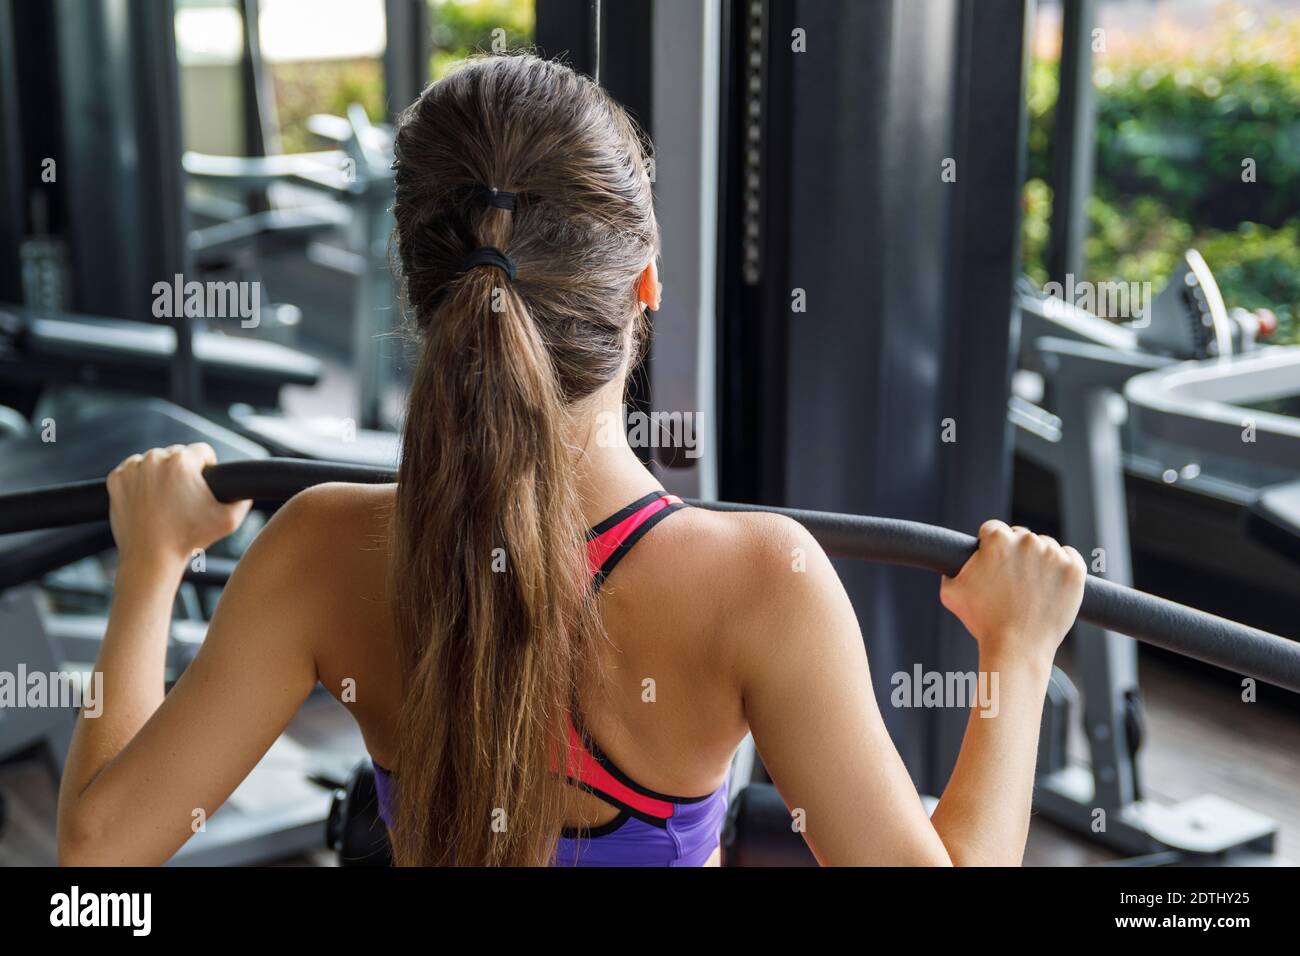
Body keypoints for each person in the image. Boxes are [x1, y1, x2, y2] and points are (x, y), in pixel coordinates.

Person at [56, 54, 1086, 867]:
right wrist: (1020, 650)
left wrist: (149, 563)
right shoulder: (764, 582)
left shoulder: (318, 546)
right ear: (646, 281)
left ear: (418, 290)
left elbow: (97, 852)